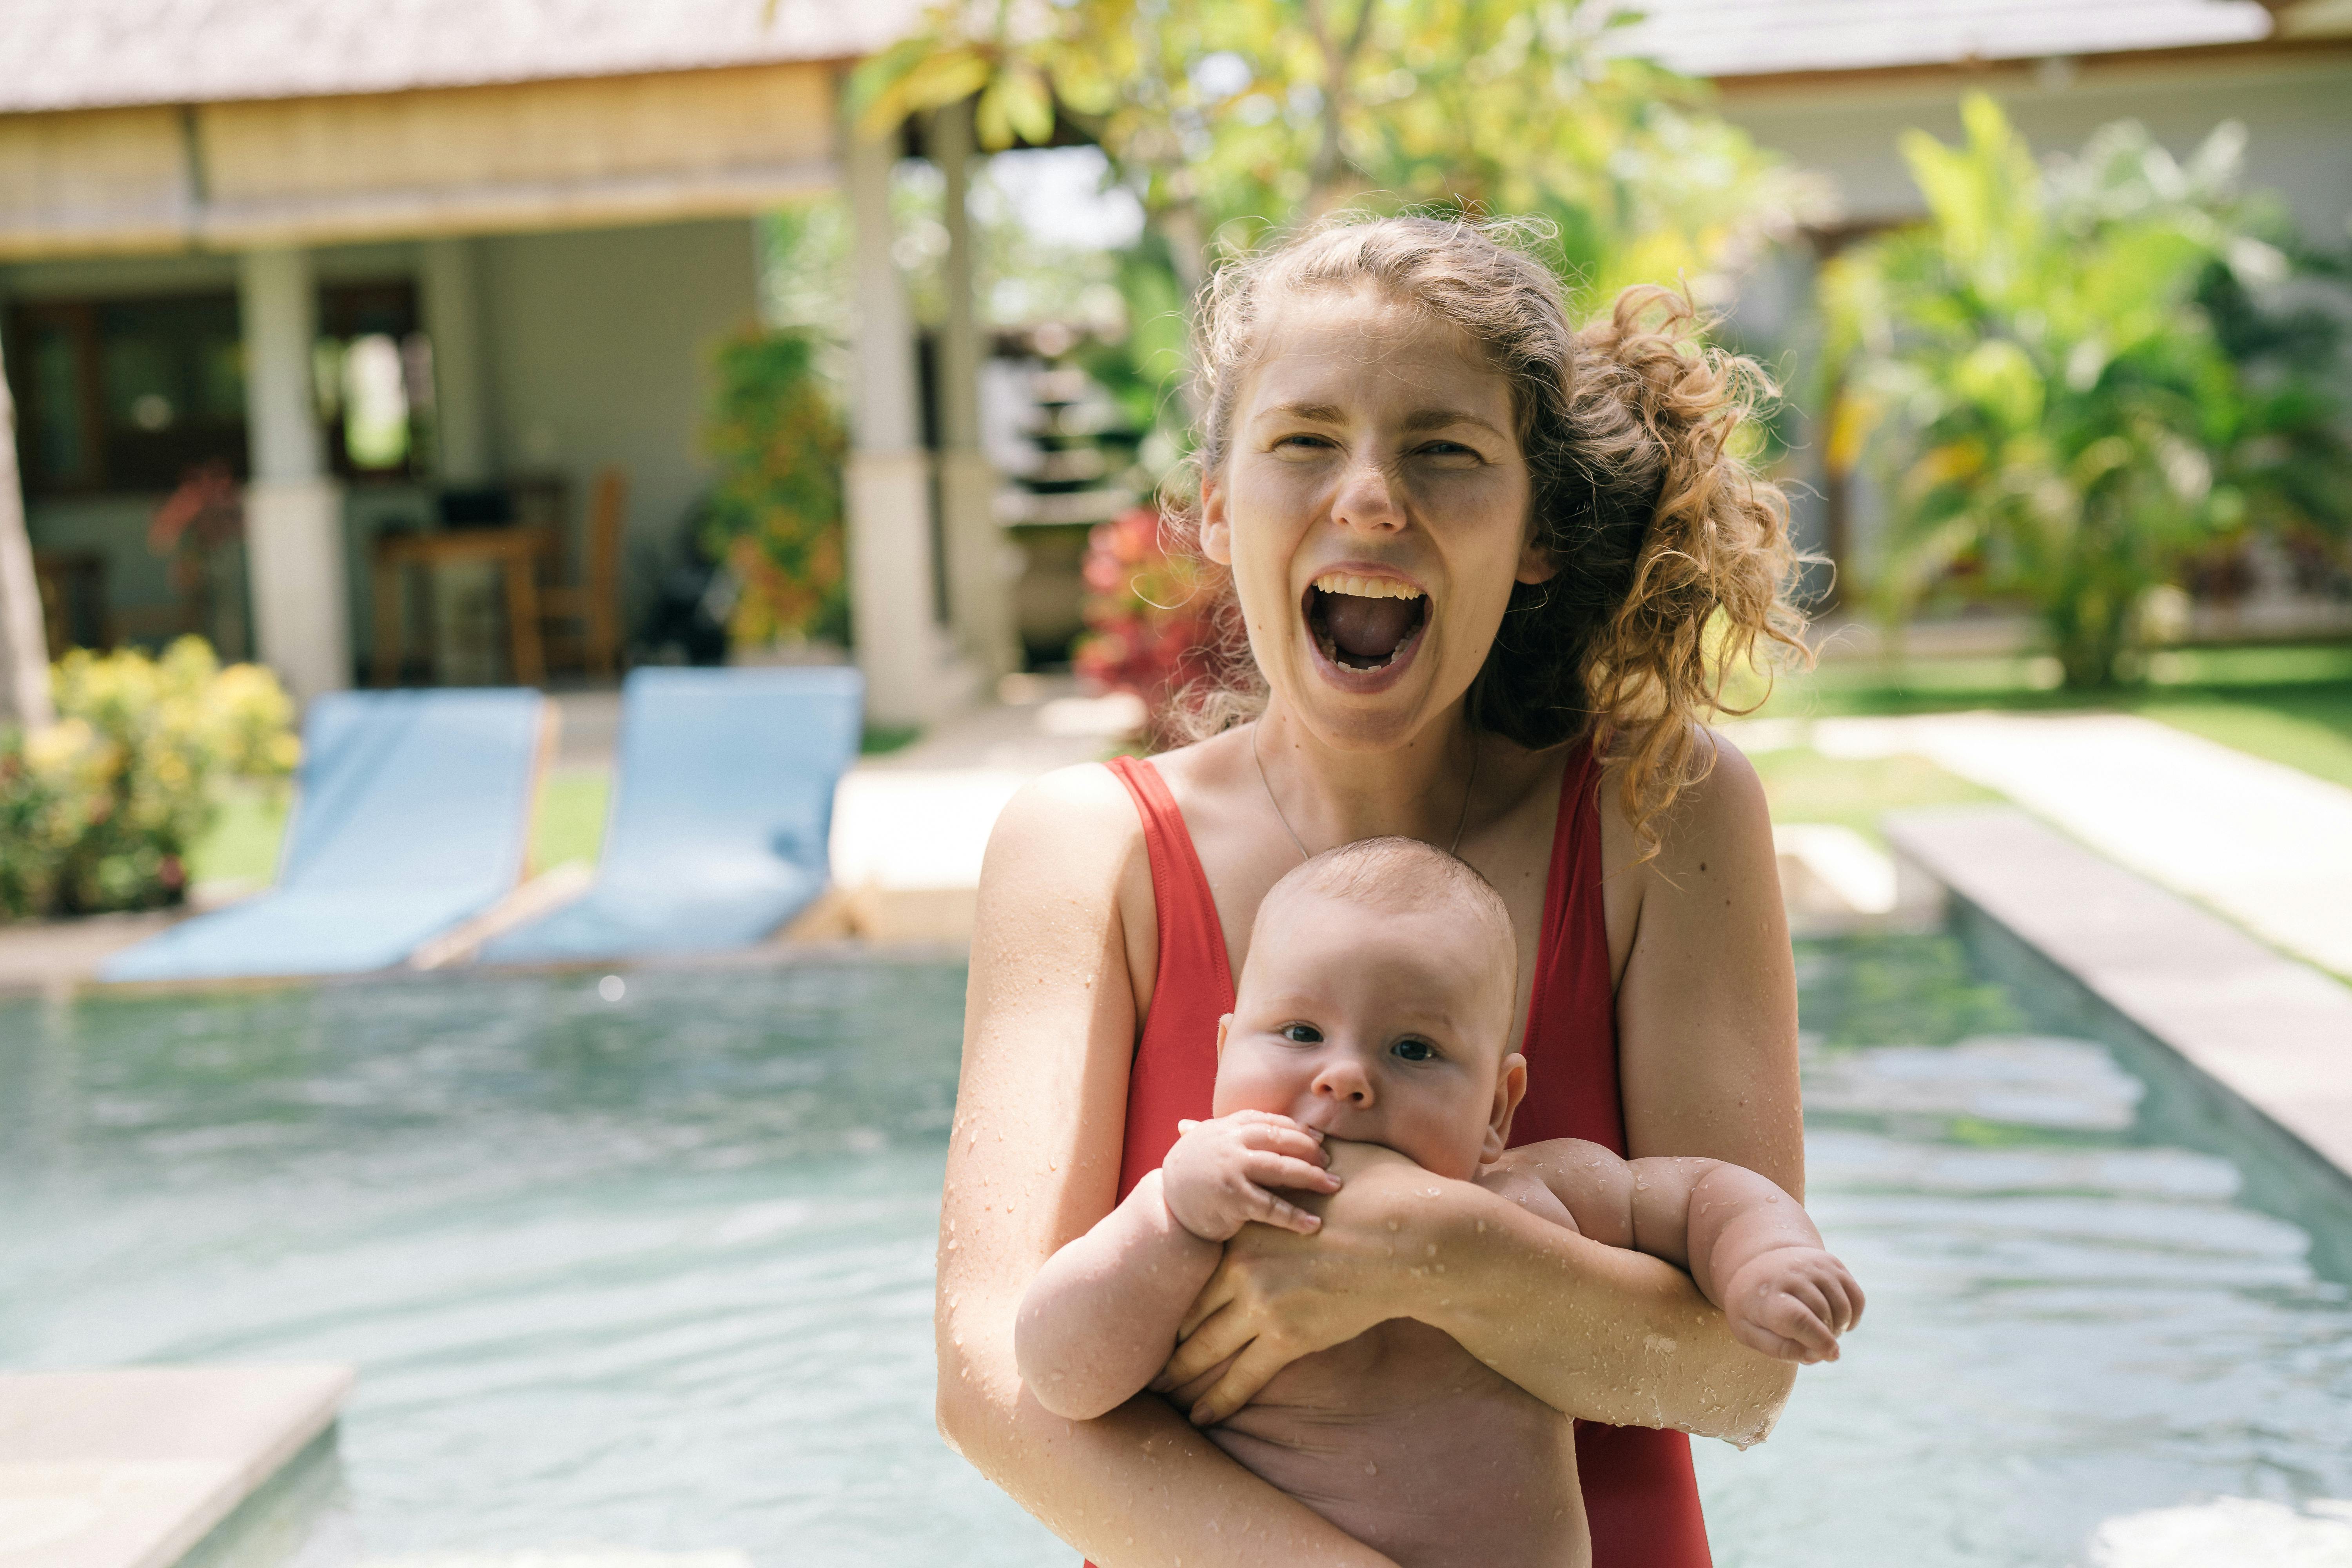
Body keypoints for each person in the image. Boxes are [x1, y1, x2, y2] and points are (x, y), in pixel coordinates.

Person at [938, 213, 1811, 1567]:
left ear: (1533, 531)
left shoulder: (1659, 814)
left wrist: (1431, 1248)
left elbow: (1739, 1378)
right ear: (1220, 508)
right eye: (1304, 441)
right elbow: (993, 1381)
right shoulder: (1087, 851)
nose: (1370, 499)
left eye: (1445, 452)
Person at [1013, 838, 1862, 1568]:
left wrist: (1764, 1258)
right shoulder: (1202, 1220)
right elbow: (1056, 1373)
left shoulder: (1535, 1196)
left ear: (1497, 1108)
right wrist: (1171, 1215)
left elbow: (1705, 1191)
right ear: (1226, 1050)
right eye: (1301, 1032)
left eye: (1413, 1047)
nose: (1344, 1074)